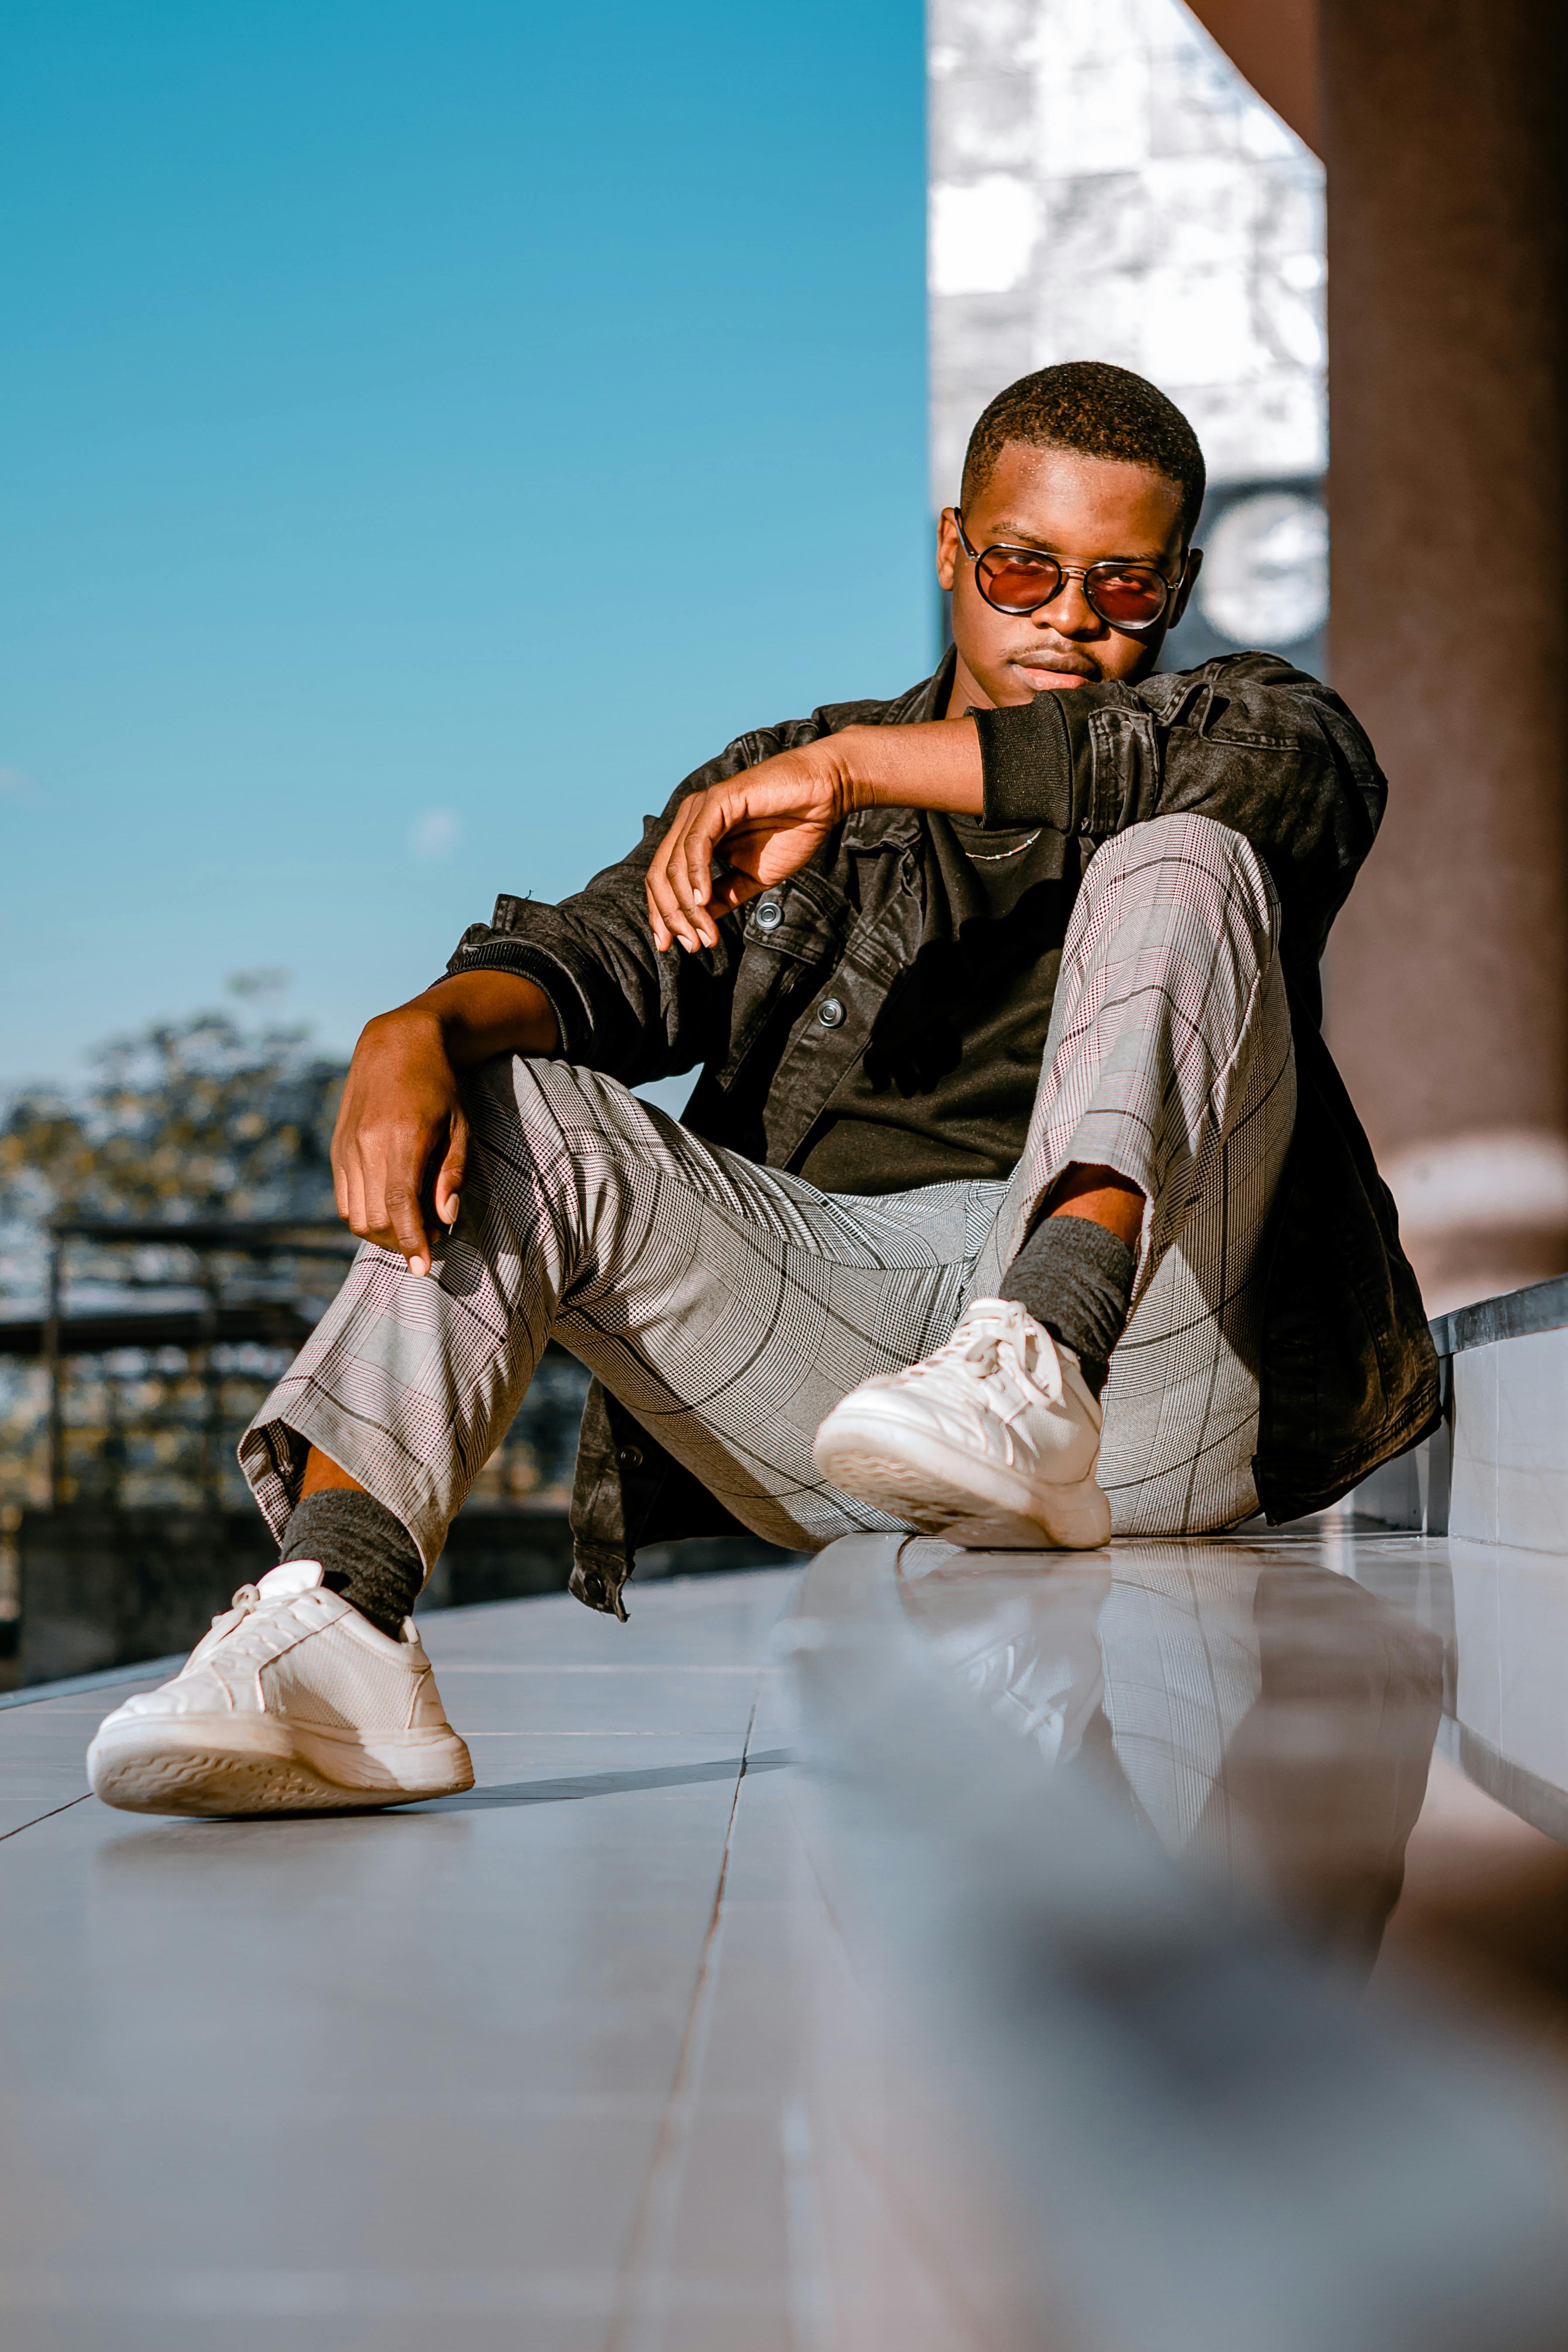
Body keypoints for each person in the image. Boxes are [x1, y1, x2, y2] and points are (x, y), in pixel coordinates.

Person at [86, 362, 1438, 1818]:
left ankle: (1035, 1347)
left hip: (1154, 1375)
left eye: (1118, 587)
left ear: (1173, 587)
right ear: (950, 552)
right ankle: (337, 1626)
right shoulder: (777, 790)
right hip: (854, 1389)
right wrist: (415, 1027)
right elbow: (599, 960)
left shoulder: (1243, 730)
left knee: (1180, 854)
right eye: (1022, 568)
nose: (1063, 616)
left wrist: (857, 770)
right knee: (520, 1103)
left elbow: (1274, 769)